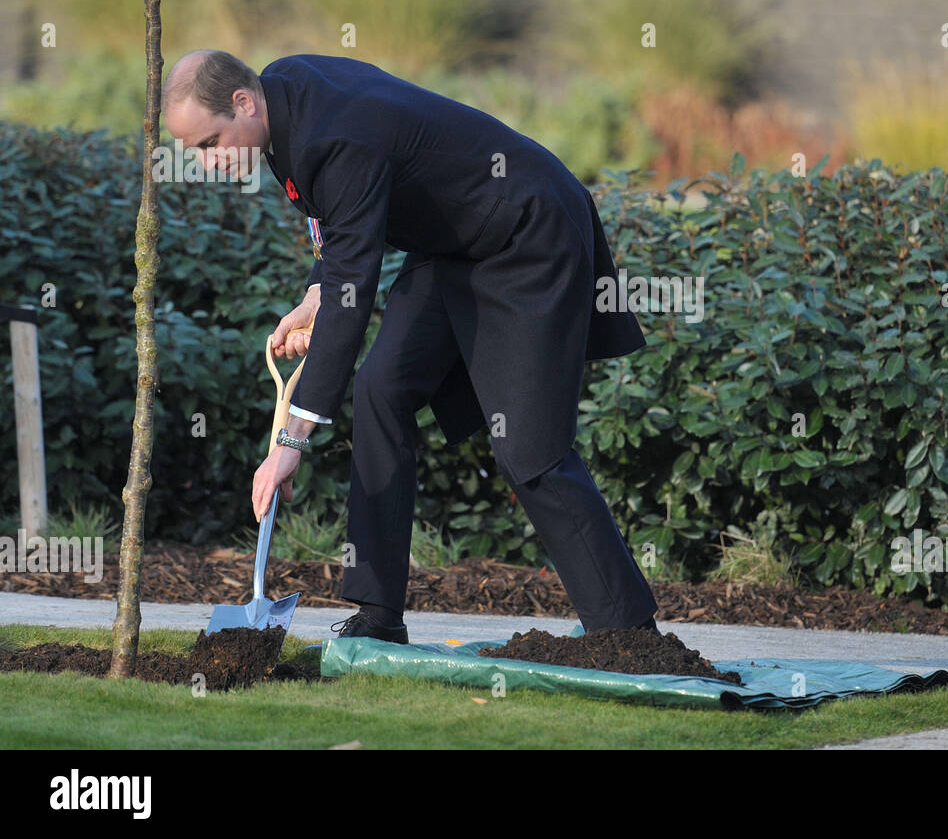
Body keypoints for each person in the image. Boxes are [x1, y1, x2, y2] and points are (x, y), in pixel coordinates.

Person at [162, 49, 660, 643]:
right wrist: (316, 292)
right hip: (455, 242)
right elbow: (341, 235)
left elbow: (355, 293)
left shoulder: (335, 134)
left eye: (209, 143)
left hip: (530, 232)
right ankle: (378, 615)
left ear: (243, 102)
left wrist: (291, 440)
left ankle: (628, 631)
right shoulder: (285, 91)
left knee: (530, 450)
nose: (206, 162)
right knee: (382, 388)